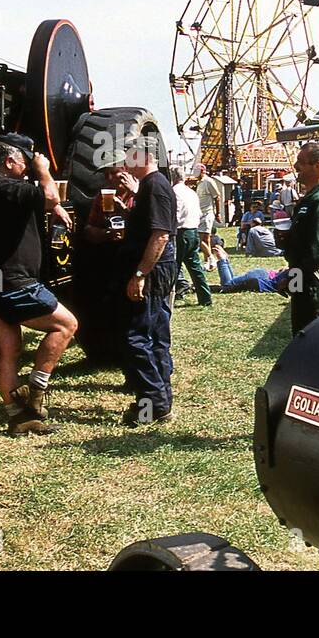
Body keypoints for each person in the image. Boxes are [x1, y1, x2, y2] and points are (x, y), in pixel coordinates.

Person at [0, 133, 77, 435]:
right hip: (13, 282)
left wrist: (51, 206)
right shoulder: (0, 186)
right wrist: (44, 172)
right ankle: (35, 390)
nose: (29, 168)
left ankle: (19, 418)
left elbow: (43, 201)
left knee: (9, 351)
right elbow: (50, 195)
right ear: (9, 161)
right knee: (66, 325)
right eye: (26, 163)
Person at [117, 137, 178, 425]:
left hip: (153, 271)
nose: (126, 162)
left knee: (137, 336)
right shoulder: (153, 186)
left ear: (142, 157)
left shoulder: (154, 186)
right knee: (155, 334)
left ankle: (153, 403)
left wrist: (140, 274)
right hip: (158, 268)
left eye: (130, 156)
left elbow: (160, 235)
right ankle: (160, 398)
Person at [279, 142, 319, 332]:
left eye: (301, 162)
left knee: (312, 348)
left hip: (315, 288)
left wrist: (292, 279)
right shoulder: (310, 199)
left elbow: (316, 255)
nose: (296, 167)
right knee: (299, 336)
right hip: (303, 284)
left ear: (318, 165)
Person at [171, 168, 212, 306]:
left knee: (173, 267)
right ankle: (205, 298)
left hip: (180, 232)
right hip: (193, 231)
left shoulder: (174, 192)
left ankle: (168, 299)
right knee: (195, 267)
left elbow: (175, 214)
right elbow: (199, 213)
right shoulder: (192, 192)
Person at [211, 244, 287, 293]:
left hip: (264, 273)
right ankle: (223, 260)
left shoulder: (292, 270)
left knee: (232, 282)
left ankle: (225, 260)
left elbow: (282, 270)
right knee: (227, 285)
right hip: (261, 279)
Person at [194, 164, 222, 270]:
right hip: (199, 213)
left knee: (198, 238)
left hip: (207, 213)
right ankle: (207, 261)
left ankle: (211, 258)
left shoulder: (208, 181)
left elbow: (217, 197)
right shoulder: (199, 183)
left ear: (203, 171)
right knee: (206, 239)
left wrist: (218, 213)